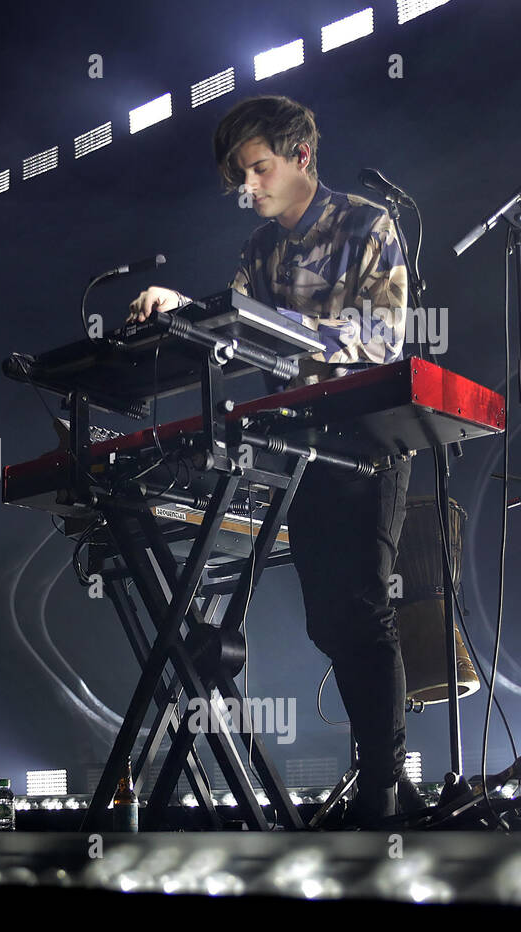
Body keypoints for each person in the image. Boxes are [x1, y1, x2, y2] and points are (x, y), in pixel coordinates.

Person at [129, 95, 418, 826]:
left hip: (370, 440)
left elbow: (378, 341)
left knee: (361, 610)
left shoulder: (367, 223)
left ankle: (384, 793)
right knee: (329, 621)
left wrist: (262, 323)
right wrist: (179, 310)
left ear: (301, 156)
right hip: (301, 446)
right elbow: (232, 334)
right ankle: (385, 780)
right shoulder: (260, 250)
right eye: (238, 175)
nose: (246, 186)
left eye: (258, 168)